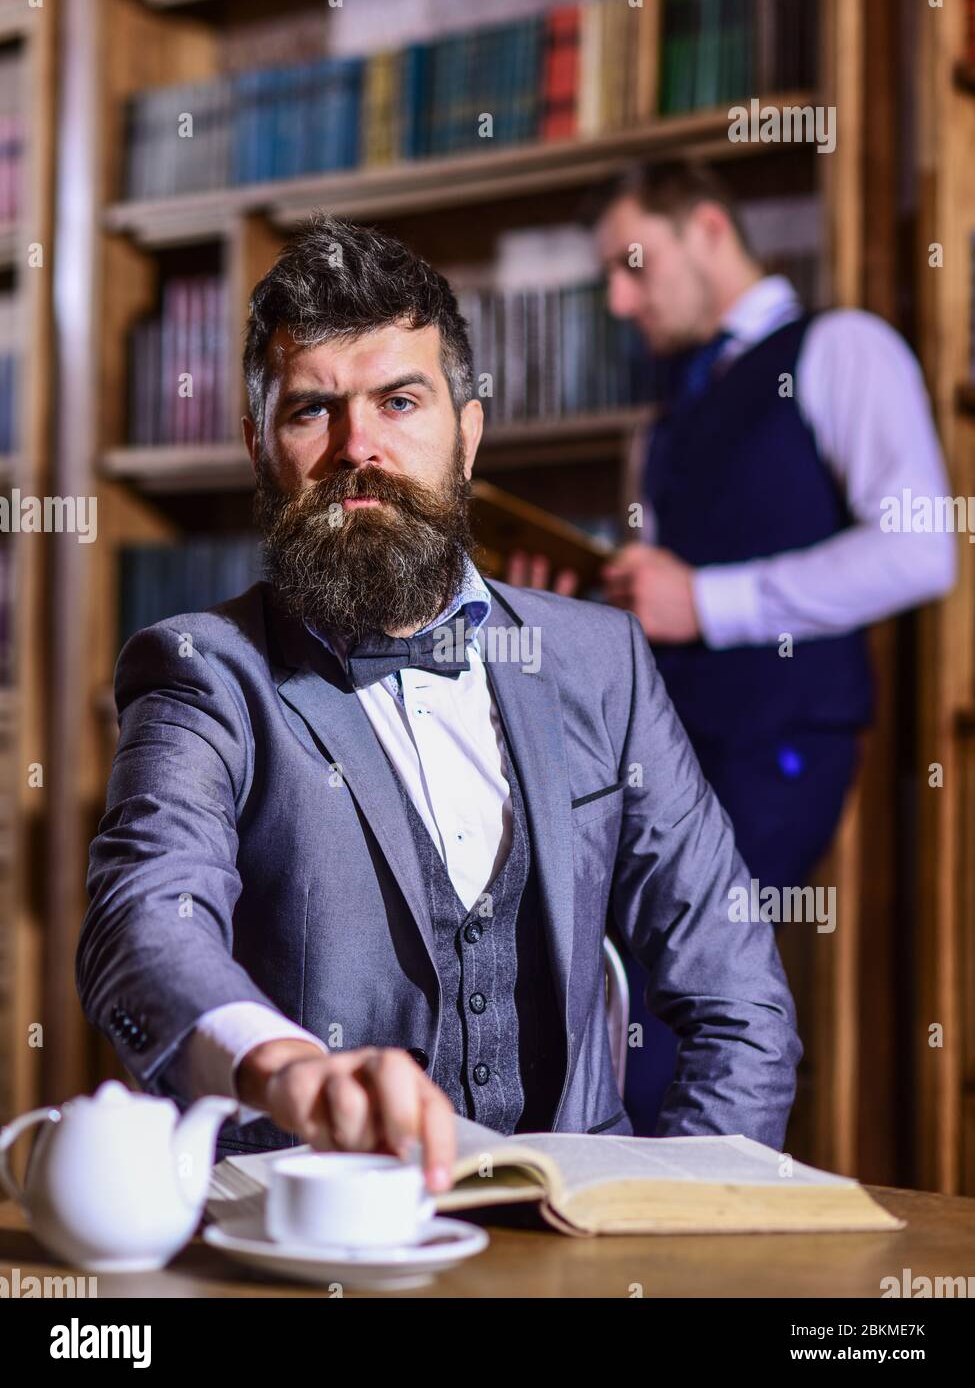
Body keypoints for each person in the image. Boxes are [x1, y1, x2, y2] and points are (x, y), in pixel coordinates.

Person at [77, 214, 802, 1190]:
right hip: (314, 1245)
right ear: (260, 448)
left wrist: (681, 1224)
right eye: (310, 412)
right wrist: (287, 1068)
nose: (357, 447)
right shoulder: (202, 671)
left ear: (468, 434)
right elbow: (143, 920)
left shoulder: (602, 659)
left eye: (400, 400)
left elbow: (738, 997)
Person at [578, 160, 955, 1133]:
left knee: (670, 1009)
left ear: (708, 227)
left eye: (633, 264)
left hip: (776, 745)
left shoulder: (846, 346)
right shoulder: (667, 413)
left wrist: (704, 600)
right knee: (605, 988)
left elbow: (921, 549)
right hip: (660, 750)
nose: (621, 300)